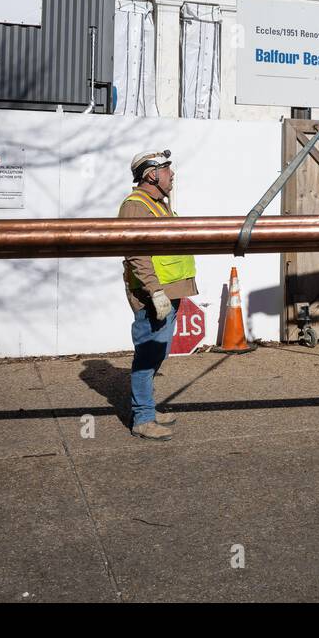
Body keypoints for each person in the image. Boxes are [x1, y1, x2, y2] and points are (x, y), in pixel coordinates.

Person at [120, 150, 198, 441]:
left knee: (159, 352)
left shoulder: (159, 205)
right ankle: (142, 419)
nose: (172, 174)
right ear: (152, 174)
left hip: (168, 291)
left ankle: (146, 409)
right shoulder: (136, 206)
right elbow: (136, 253)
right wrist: (154, 291)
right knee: (148, 354)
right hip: (153, 295)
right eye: (167, 169)